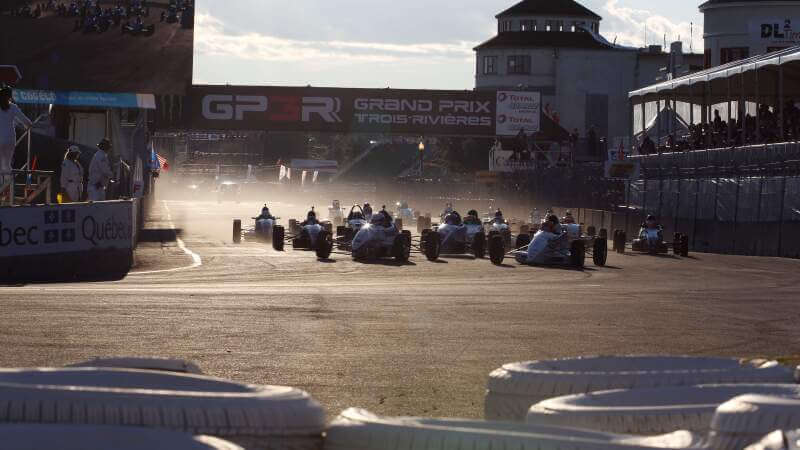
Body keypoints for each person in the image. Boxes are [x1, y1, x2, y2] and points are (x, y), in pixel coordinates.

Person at [0, 84, 32, 187]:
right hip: (10, 139)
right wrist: (29, 125)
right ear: (9, 96)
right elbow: (26, 121)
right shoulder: (13, 107)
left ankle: (1, 185)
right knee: (7, 163)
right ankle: (7, 185)